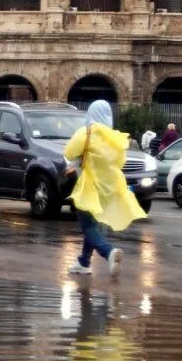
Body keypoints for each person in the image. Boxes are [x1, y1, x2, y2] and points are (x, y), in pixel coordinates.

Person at [64, 99, 147, 277]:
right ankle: (83, 262)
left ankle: (109, 252)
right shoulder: (115, 137)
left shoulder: (85, 134)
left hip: (89, 187)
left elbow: (69, 153)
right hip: (110, 187)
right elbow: (120, 161)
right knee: (94, 226)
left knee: (87, 226)